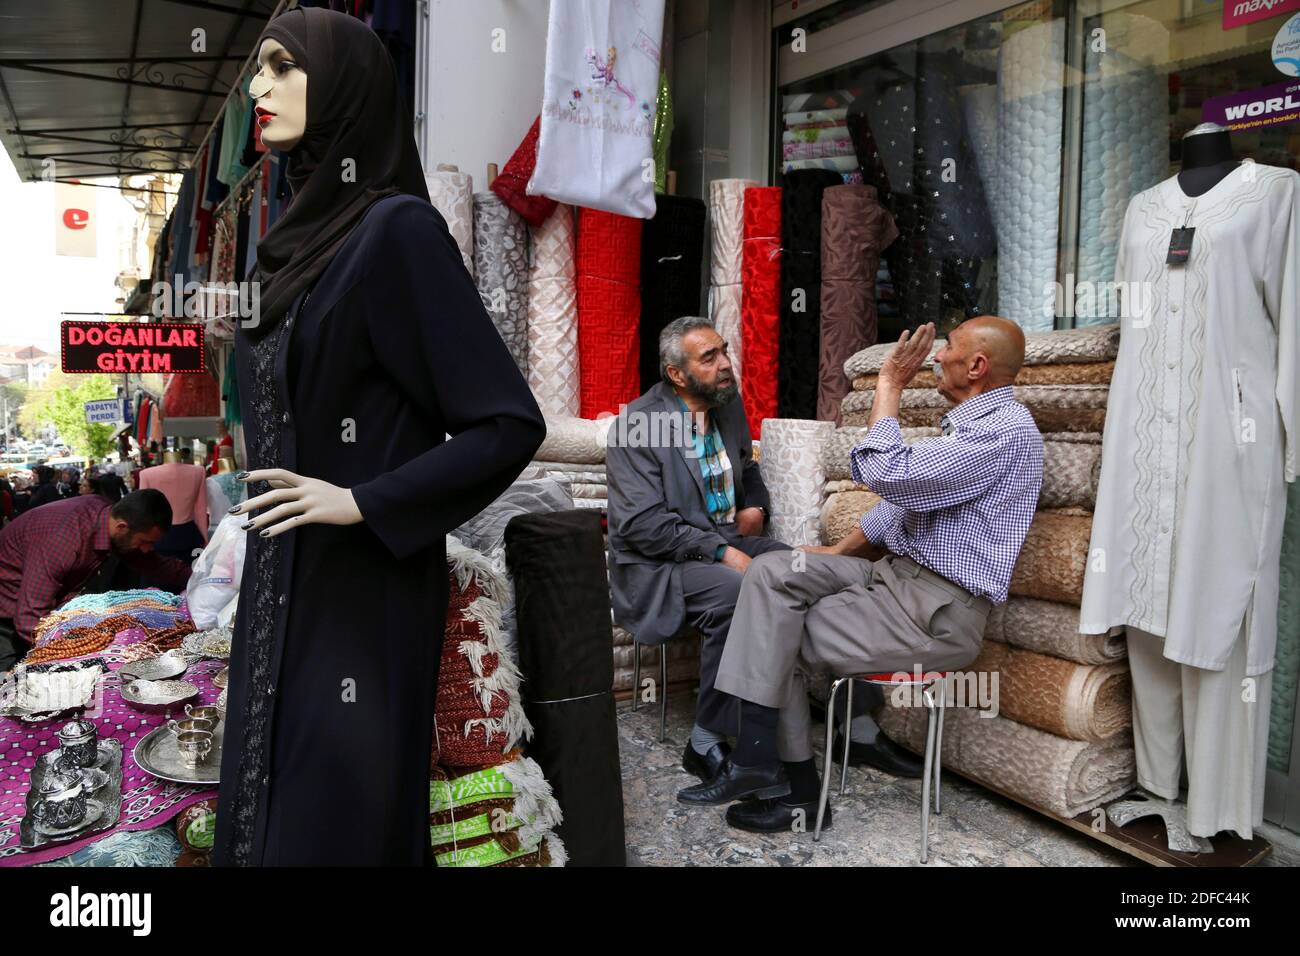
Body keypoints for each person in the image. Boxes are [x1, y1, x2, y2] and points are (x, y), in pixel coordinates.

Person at [214, 8, 544, 867]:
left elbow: (506, 423)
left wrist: (367, 500)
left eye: (282, 67)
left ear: (346, 87)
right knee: (260, 806)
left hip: (362, 594)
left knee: (335, 824)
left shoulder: (395, 234)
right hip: (279, 582)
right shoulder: (282, 254)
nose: (258, 86)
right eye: (258, 69)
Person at [677, 317, 1044, 833]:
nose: (937, 357)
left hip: (933, 613)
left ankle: (797, 789)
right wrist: (830, 552)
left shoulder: (1001, 435)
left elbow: (883, 472)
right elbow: (901, 506)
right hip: (893, 581)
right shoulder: (969, 427)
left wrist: (890, 384)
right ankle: (758, 758)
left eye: (949, 350)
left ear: (978, 366)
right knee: (771, 570)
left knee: (777, 628)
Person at [0, 489, 192, 673]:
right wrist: (63, 657)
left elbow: (150, 562)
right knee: (10, 682)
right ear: (122, 527)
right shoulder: (62, 539)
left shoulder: (108, 518)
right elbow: (29, 617)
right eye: (144, 542)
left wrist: (196, 578)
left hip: (33, 604)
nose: (147, 549)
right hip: (7, 611)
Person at [136, 446, 208, 559]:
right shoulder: (198, 471)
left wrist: (142, 540)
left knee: (162, 574)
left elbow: (144, 511)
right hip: (190, 535)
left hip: (159, 536)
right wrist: (205, 538)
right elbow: (201, 509)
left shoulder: (146, 474)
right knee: (192, 574)